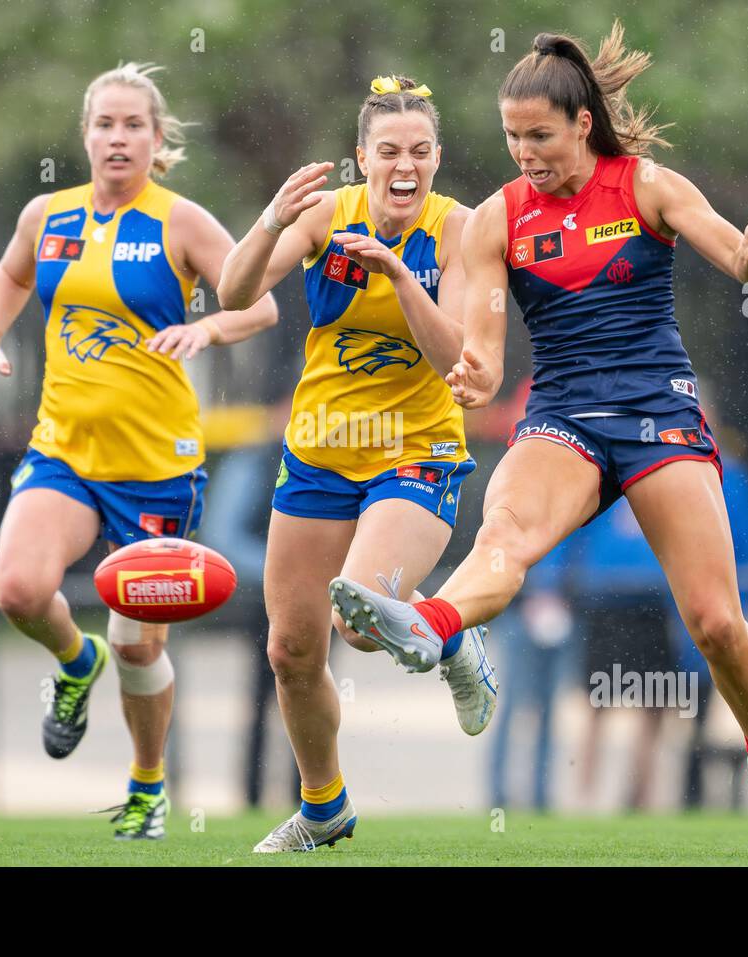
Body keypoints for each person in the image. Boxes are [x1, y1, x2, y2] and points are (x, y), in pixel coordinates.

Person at [330, 25, 748, 856]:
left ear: (582, 124)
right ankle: (432, 623)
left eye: (541, 136)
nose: (524, 153)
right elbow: (479, 345)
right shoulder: (495, 221)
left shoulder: (648, 185)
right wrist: (475, 374)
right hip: (563, 412)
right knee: (505, 533)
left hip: (657, 411)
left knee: (714, 623)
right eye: (512, 137)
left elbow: (737, 257)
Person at [0, 62, 278, 841]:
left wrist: (207, 326)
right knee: (19, 590)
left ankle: (147, 785)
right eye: (105, 124)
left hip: (156, 470)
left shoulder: (182, 222)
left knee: (138, 646)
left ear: (157, 139)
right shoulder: (48, 215)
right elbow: (9, 273)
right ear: (86, 136)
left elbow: (259, 303)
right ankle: (72, 661)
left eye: (134, 125)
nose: (119, 137)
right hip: (64, 452)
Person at [218, 75, 497, 852]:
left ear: (436, 158)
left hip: (416, 452)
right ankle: (324, 807)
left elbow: (469, 369)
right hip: (317, 455)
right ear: (361, 159)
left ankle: (449, 637)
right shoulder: (325, 215)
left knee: (362, 622)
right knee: (291, 648)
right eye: (387, 152)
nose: (403, 166)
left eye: (417, 151)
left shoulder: (459, 231)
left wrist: (400, 276)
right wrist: (273, 217)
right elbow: (232, 292)